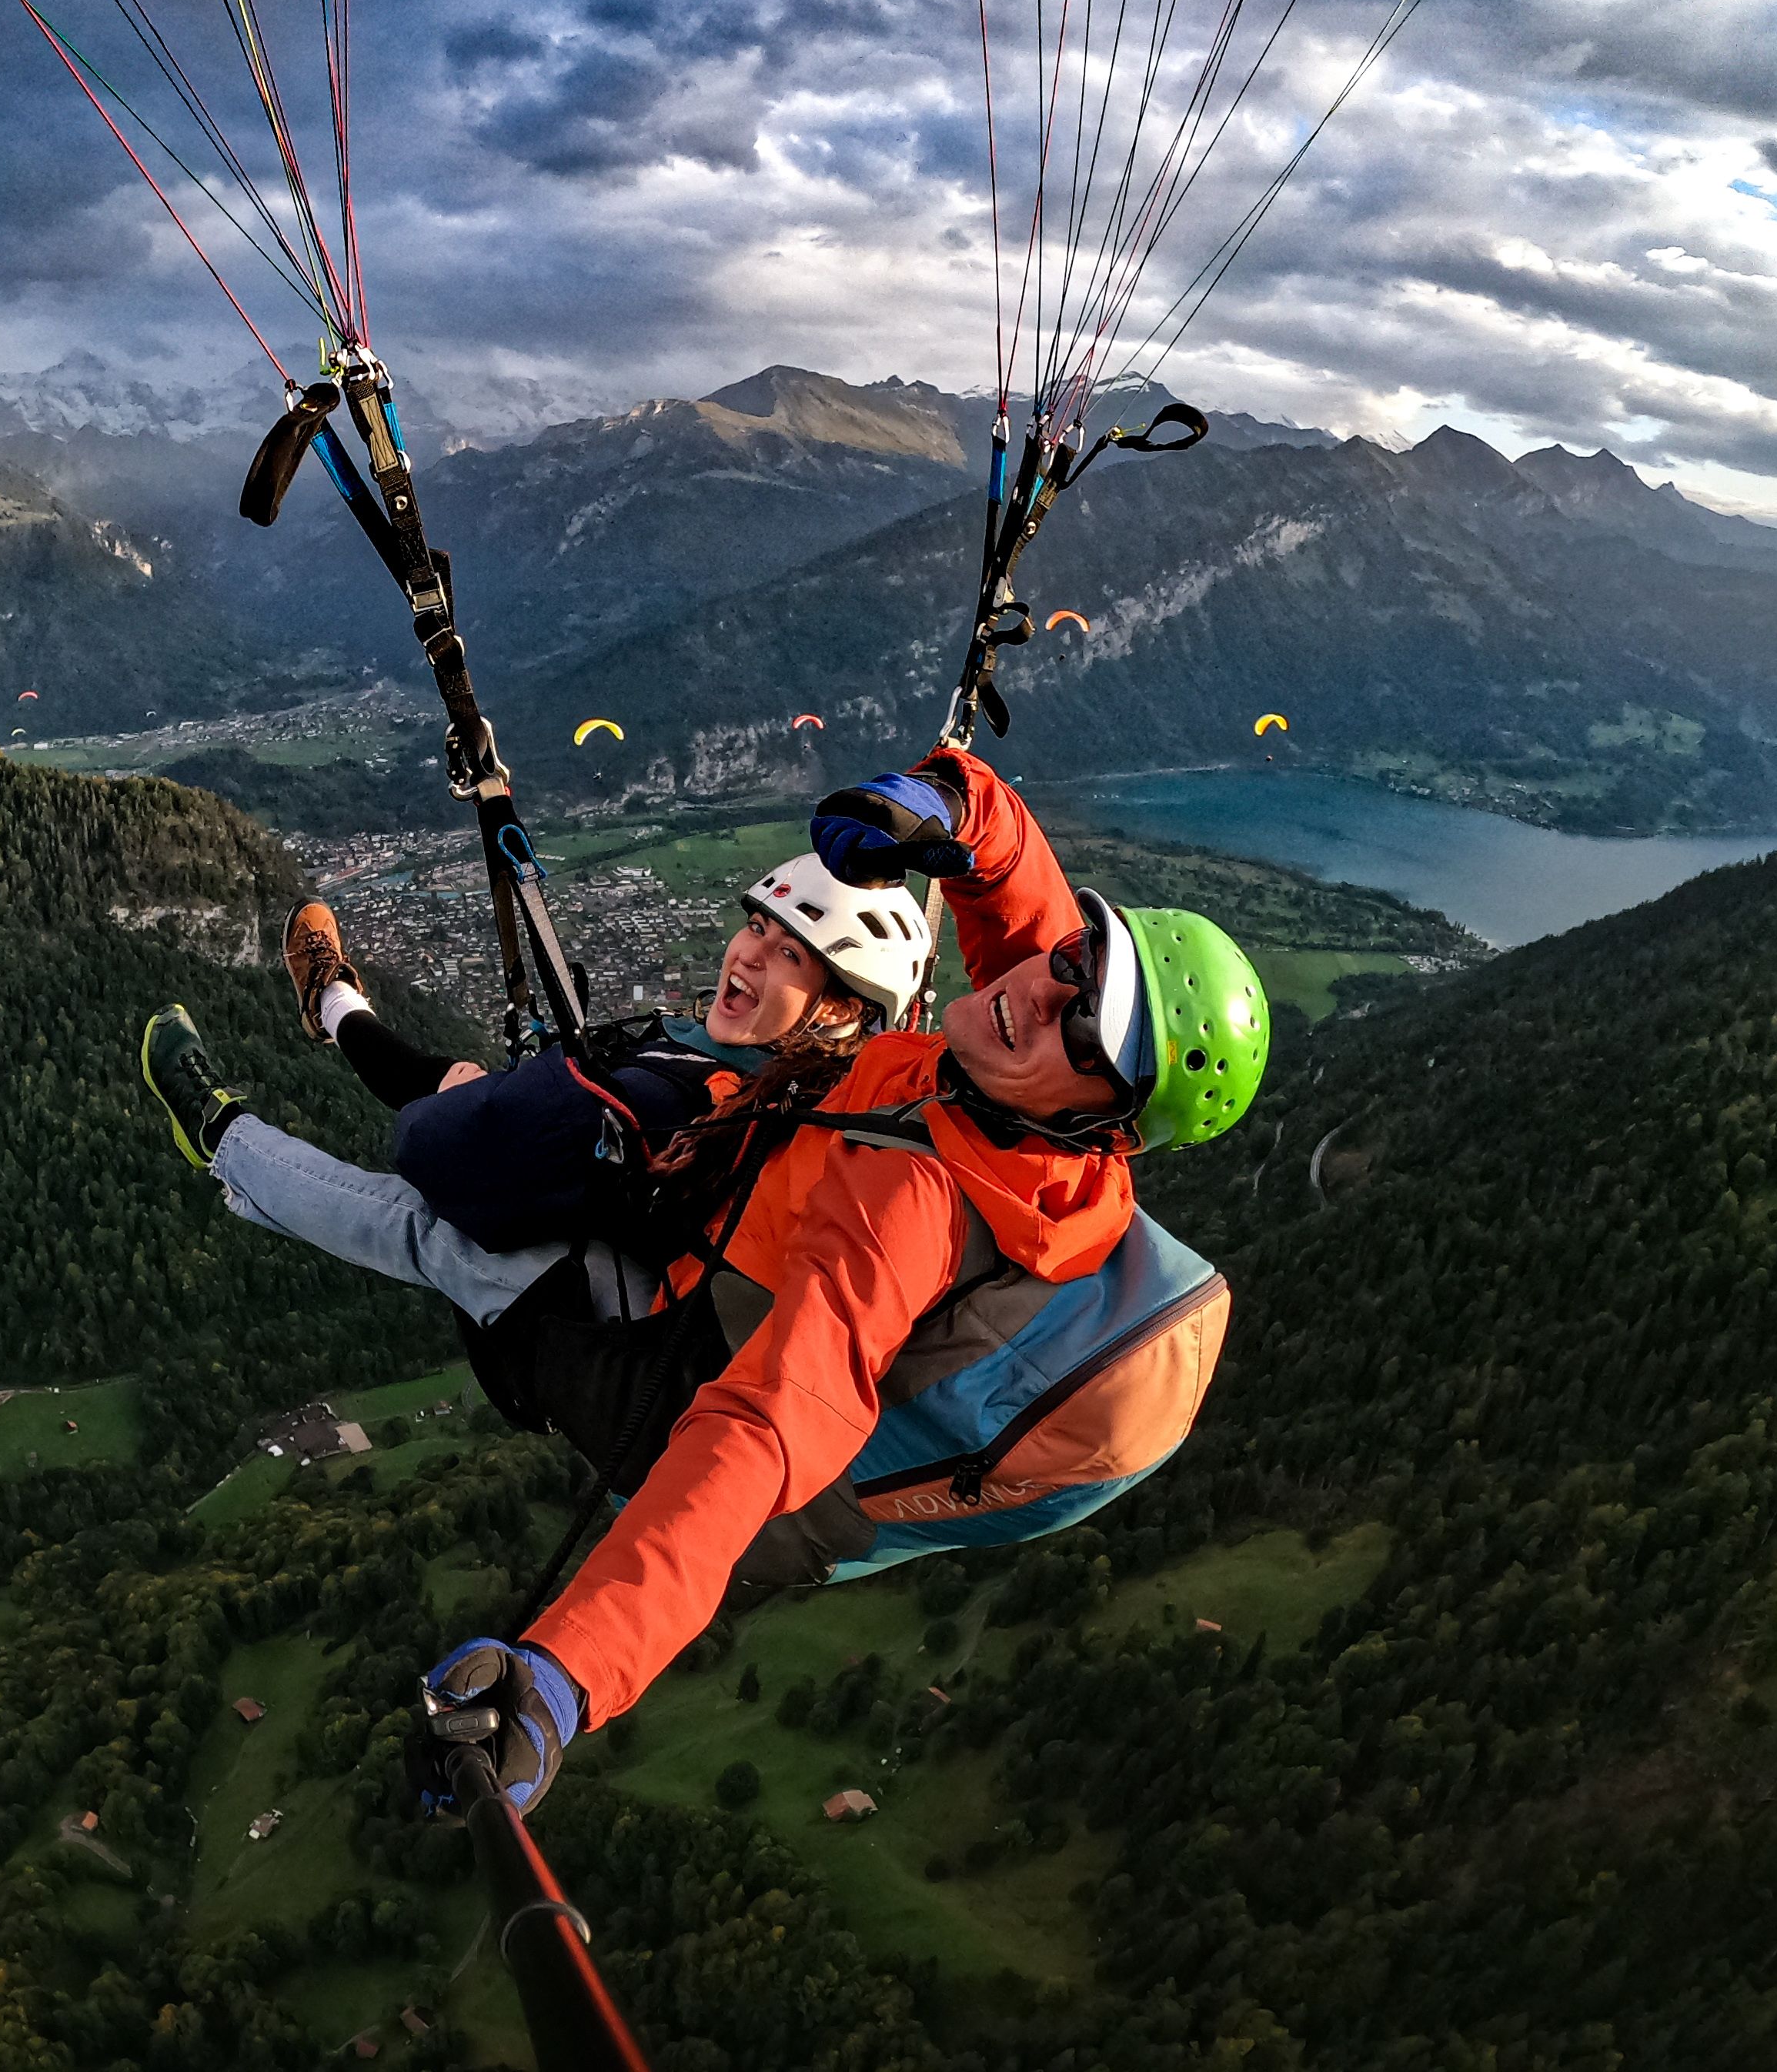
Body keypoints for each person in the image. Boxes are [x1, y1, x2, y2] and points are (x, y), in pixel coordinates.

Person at [412, 745, 1271, 1812]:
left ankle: (242, 1141)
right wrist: (949, 808)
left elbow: (767, 1430)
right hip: (743, 1219)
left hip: (717, 1378)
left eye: (1084, 1024)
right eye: (1075, 963)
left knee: (475, 1272)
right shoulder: (1027, 1043)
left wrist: (569, 1673)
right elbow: (1017, 887)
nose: (1042, 992)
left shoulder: (917, 1206)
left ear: (1104, 1124)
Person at [139, 855, 931, 1330]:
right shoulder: (829, 1089)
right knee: (469, 1086)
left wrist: (493, 1102)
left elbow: (430, 1149)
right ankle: (335, 1003)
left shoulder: (676, 1101)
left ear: (835, 1008)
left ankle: (219, 1133)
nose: (749, 954)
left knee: (424, 1225)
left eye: (788, 953)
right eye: (756, 926)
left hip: (643, 1341)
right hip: (672, 1282)